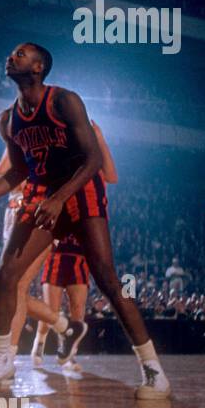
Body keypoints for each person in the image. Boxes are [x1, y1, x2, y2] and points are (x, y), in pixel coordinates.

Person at [0, 42, 169, 399]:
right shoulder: (8, 119)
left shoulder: (65, 101)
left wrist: (59, 198)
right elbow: (19, 171)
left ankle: (153, 371)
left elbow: (94, 160)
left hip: (80, 190)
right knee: (7, 274)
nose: (11, 56)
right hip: (41, 193)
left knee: (108, 280)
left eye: (20, 54)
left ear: (38, 68)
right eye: (11, 53)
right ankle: (2, 359)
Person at [33, 123, 119, 370]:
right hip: (57, 251)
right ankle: (38, 345)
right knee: (50, 309)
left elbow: (113, 176)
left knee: (78, 308)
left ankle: (69, 355)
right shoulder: (61, 167)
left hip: (79, 254)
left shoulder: (94, 171)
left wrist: (101, 138)